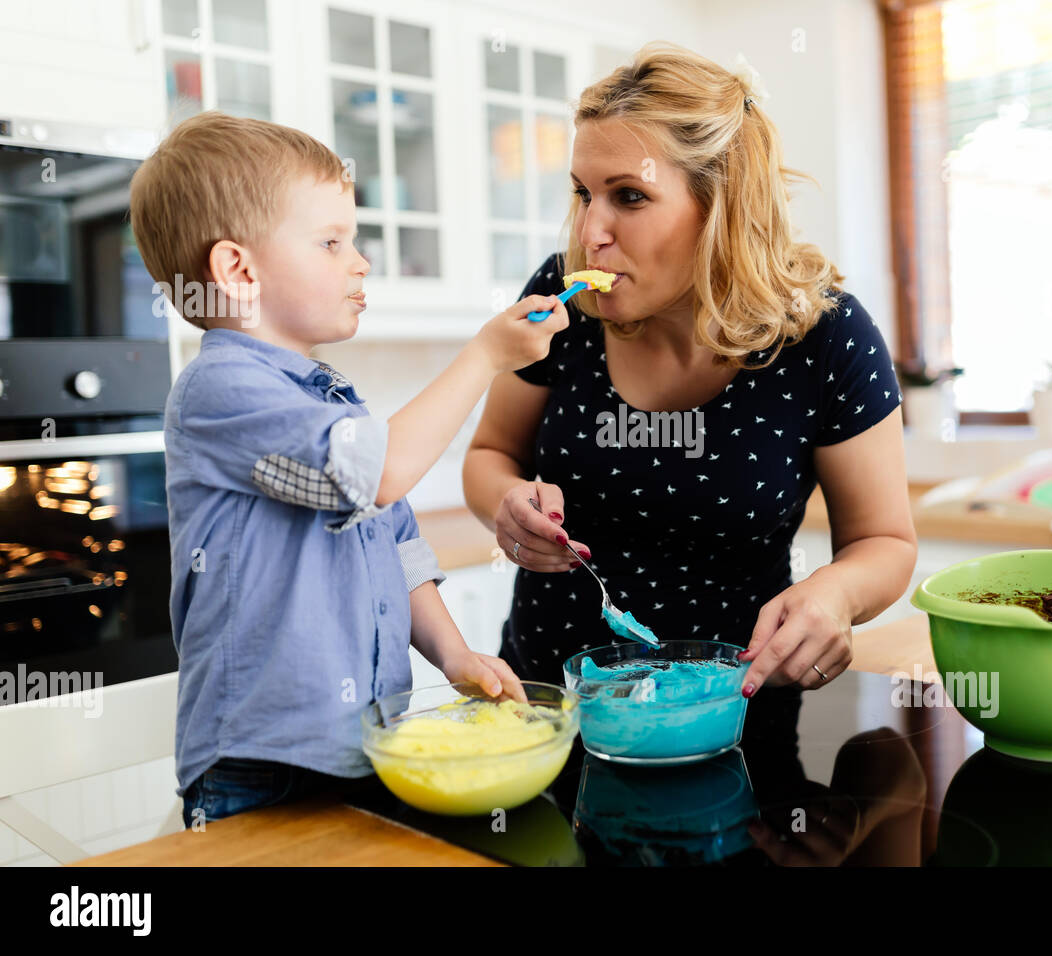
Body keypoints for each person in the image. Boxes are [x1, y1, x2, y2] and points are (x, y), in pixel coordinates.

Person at [463, 43, 918, 756]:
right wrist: (505, 503)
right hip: (543, 717)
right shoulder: (559, 302)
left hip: (733, 725)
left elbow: (884, 544)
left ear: (723, 205)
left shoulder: (826, 334)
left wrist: (838, 595)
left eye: (630, 196)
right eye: (583, 193)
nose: (590, 234)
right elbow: (490, 455)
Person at [128, 111, 567, 825]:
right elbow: (379, 475)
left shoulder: (327, 396)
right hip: (259, 764)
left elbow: (391, 537)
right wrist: (484, 356)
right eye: (332, 242)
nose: (359, 261)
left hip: (364, 745)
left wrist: (455, 656)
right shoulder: (220, 391)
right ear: (238, 270)